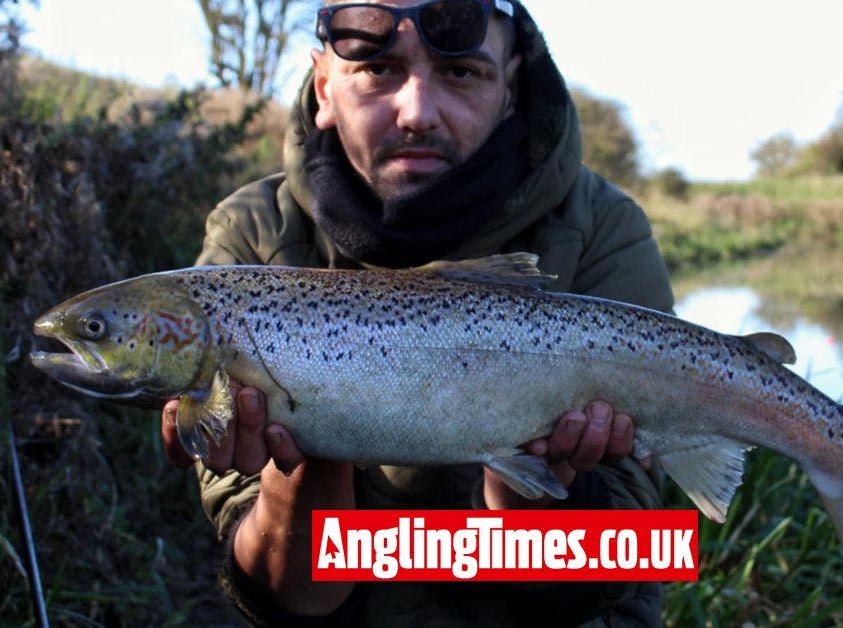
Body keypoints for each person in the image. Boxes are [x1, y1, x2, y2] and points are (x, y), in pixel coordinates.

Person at [160, 0, 676, 624]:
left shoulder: (604, 227)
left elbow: (631, 562)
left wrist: (537, 486)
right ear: (324, 87)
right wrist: (309, 448)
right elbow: (288, 598)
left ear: (510, 87)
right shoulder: (252, 237)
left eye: (460, 72)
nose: (416, 112)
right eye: (378, 69)